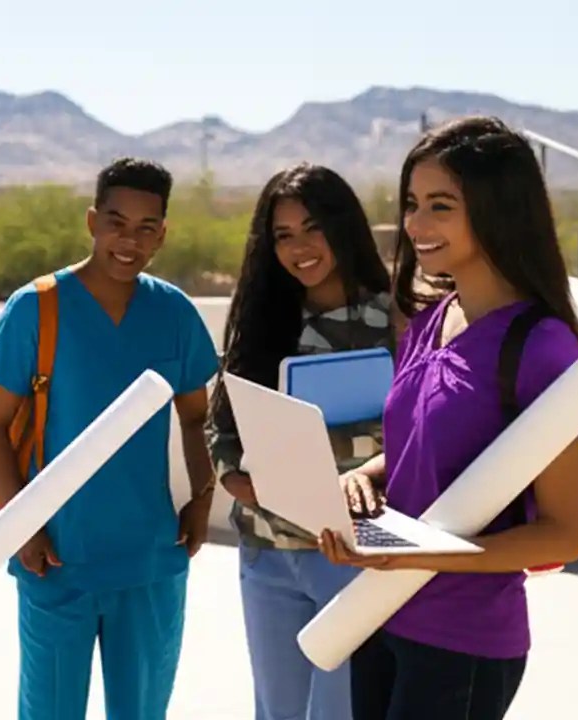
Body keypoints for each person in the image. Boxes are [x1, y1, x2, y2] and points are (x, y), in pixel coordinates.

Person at [317, 116, 578, 720]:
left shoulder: (542, 347)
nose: (416, 224)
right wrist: (365, 475)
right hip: (382, 612)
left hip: (463, 642)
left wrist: (416, 554)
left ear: (499, 210)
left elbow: (561, 533)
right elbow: (420, 450)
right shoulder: (430, 322)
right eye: (412, 204)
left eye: (441, 205)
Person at [0, 157, 220, 720]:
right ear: (92, 221)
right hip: (57, 559)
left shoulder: (175, 314)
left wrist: (202, 500)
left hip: (151, 562)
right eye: (115, 221)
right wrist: (22, 525)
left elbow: (194, 417)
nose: (128, 240)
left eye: (146, 227)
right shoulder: (37, 308)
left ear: (163, 234)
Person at [206, 162, 396, 720]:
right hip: (266, 552)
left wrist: (327, 455)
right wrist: (233, 476)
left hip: (351, 552)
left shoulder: (396, 322)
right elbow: (221, 421)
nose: (300, 247)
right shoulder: (264, 318)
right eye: (283, 235)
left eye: (313, 228)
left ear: (344, 227)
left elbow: (410, 432)